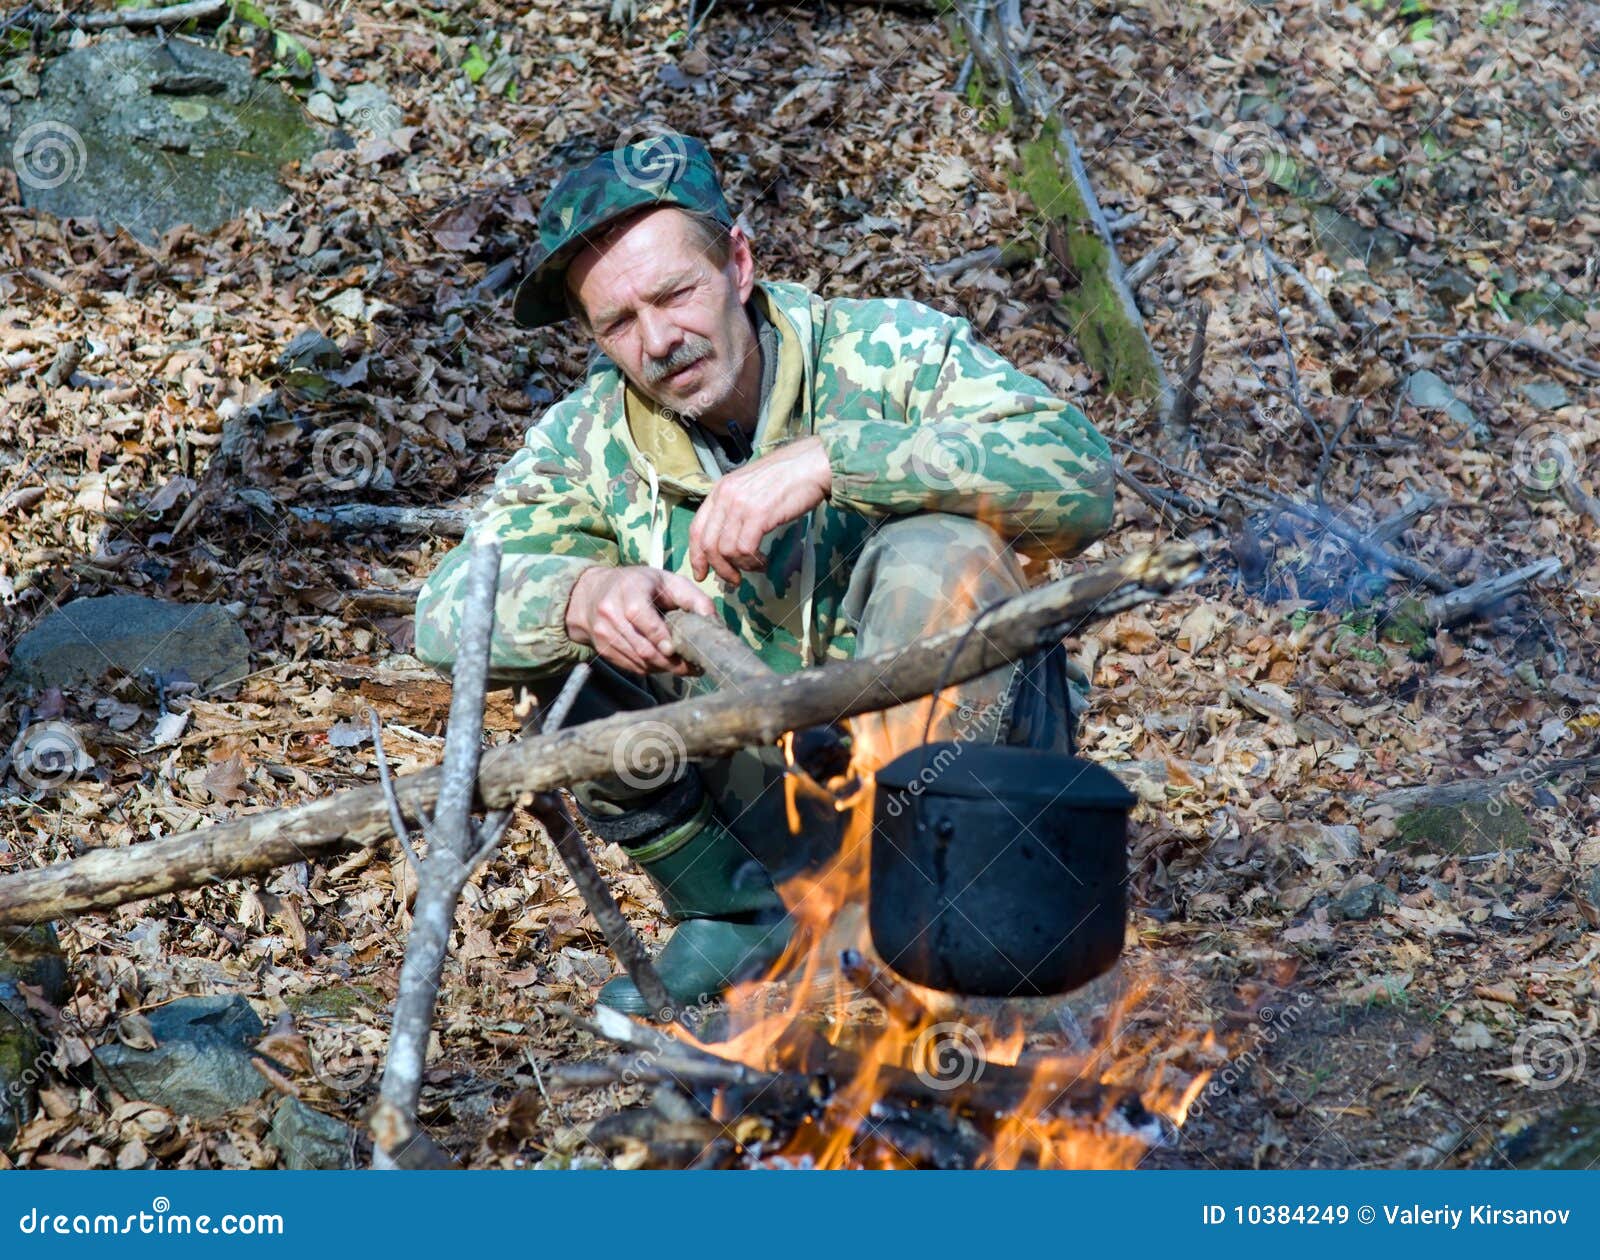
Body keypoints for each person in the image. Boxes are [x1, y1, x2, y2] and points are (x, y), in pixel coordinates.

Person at [414, 133, 1116, 1013]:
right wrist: (580, 595)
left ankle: (944, 912)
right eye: (619, 325)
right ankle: (745, 914)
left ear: (739, 263)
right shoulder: (587, 442)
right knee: (565, 650)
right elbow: (447, 609)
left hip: (975, 799)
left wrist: (834, 459)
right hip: (775, 811)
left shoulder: (888, 352)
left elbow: (1083, 479)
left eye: (675, 293)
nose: (659, 340)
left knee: (942, 552)